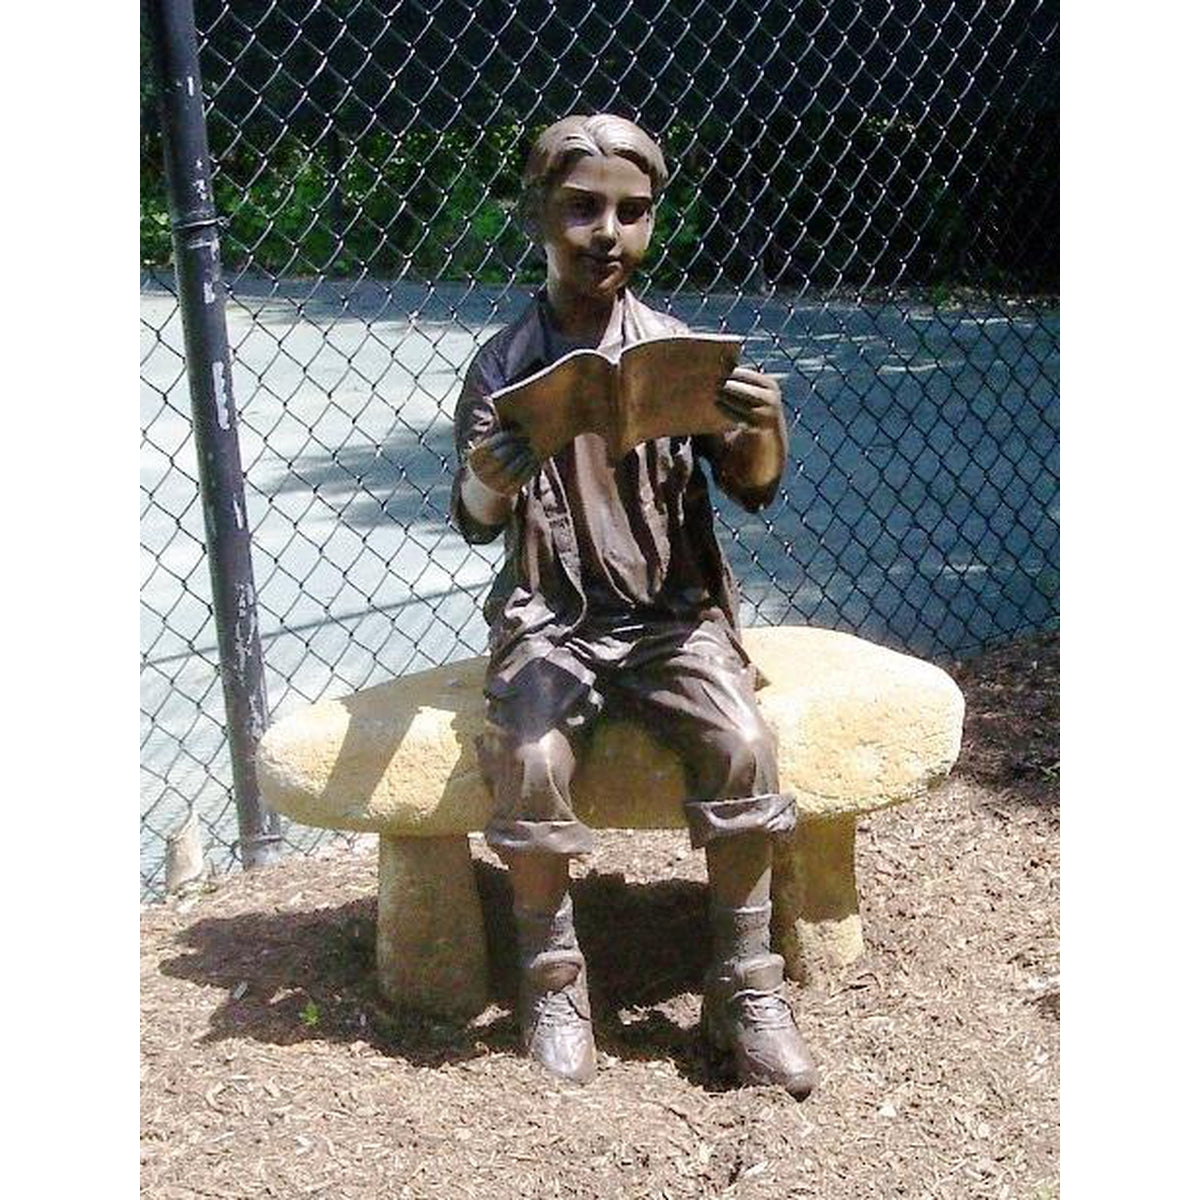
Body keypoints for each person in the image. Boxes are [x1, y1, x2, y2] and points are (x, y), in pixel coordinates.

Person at [450, 113, 816, 1097]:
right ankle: (553, 983)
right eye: (582, 208)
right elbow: (475, 519)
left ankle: (745, 985)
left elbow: (752, 485)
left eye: (632, 211)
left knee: (742, 741)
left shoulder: (677, 352)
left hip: (670, 616)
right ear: (538, 215)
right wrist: (490, 476)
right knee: (531, 756)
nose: (607, 232)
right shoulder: (504, 364)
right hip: (555, 620)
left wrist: (762, 429)